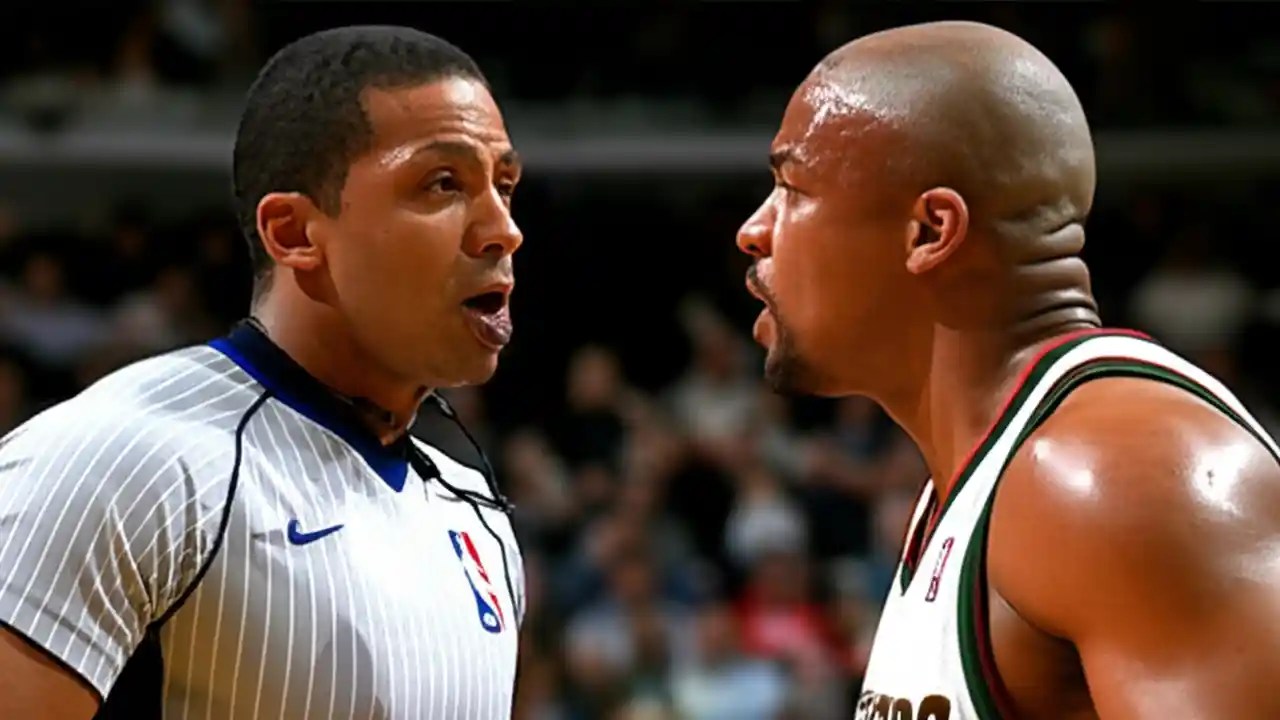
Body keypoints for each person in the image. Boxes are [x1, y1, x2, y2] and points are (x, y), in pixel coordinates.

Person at [736, 20, 1280, 719]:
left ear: (931, 231)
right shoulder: (991, 480)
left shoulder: (1113, 477)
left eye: (792, 188)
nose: (753, 229)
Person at [0, 25, 526, 719]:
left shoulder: (476, 514)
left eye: (505, 186)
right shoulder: (116, 460)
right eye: (443, 182)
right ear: (295, 234)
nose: (503, 229)